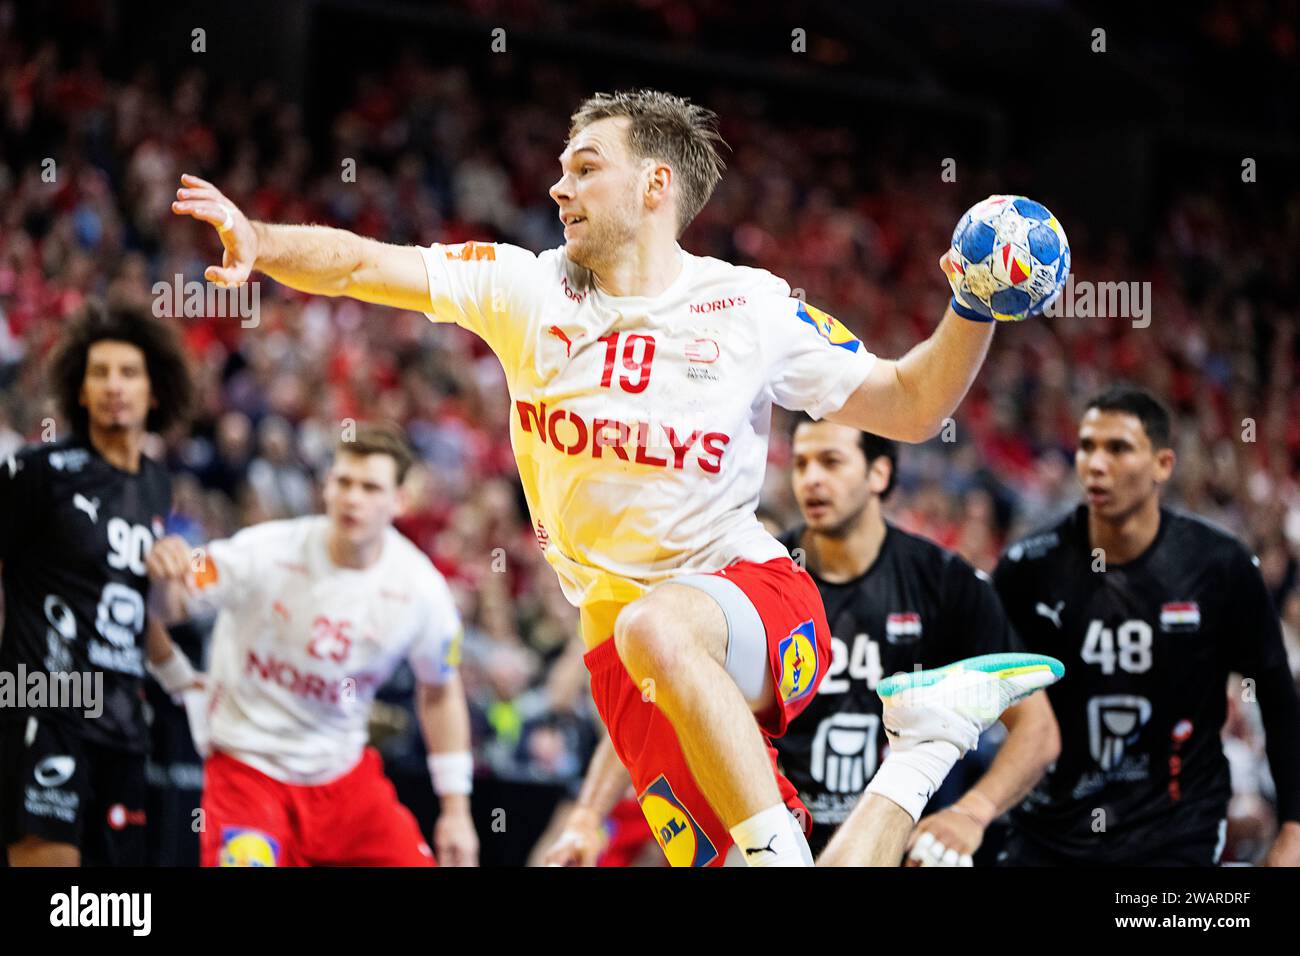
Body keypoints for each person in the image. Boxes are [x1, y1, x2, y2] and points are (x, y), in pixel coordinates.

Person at [173, 88, 1058, 867]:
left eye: (585, 167)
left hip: (748, 599)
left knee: (658, 627)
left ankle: (779, 847)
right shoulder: (526, 289)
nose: (560, 186)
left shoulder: (749, 305)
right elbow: (367, 264)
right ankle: (922, 753)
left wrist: (972, 309)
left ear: (655, 186)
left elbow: (907, 404)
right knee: (644, 642)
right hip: (618, 653)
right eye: (561, 169)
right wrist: (263, 240)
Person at [992, 386, 1300, 866]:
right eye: (1087, 446)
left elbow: (1279, 697)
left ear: (1163, 465)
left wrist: (1294, 829)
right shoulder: (1026, 568)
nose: (1096, 463)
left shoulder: (1219, 565)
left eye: (1118, 448)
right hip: (1053, 825)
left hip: (1177, 827)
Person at [147, 424, 479, 866]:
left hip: (342, 779)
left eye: (370, 487)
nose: (353, 498)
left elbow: (440, 689)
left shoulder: (420, 589)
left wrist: (456, 811)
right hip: (247, 771)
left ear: (399, 501)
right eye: (343, 482)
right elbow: (168, 608)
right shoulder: (264, 552)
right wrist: (164, 575)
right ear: (326, 487)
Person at [776, 418, 1059, 864]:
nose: (811, 478)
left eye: (830, 461)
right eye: (801, 463)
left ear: (879, 474)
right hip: (775, 839)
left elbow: (1038, 729)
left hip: (901, 843)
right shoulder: (766, 578)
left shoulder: (944, 582)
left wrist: (972, 812)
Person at [0, 300, 201, 866]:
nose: (114, 385)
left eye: (129, 373)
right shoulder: (38, 472)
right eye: (100, 373)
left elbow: (151, 613)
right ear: (80, 391)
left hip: (123, 726)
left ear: (155, 392)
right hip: (46, 703)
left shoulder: (158, 485)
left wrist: (188, 683)